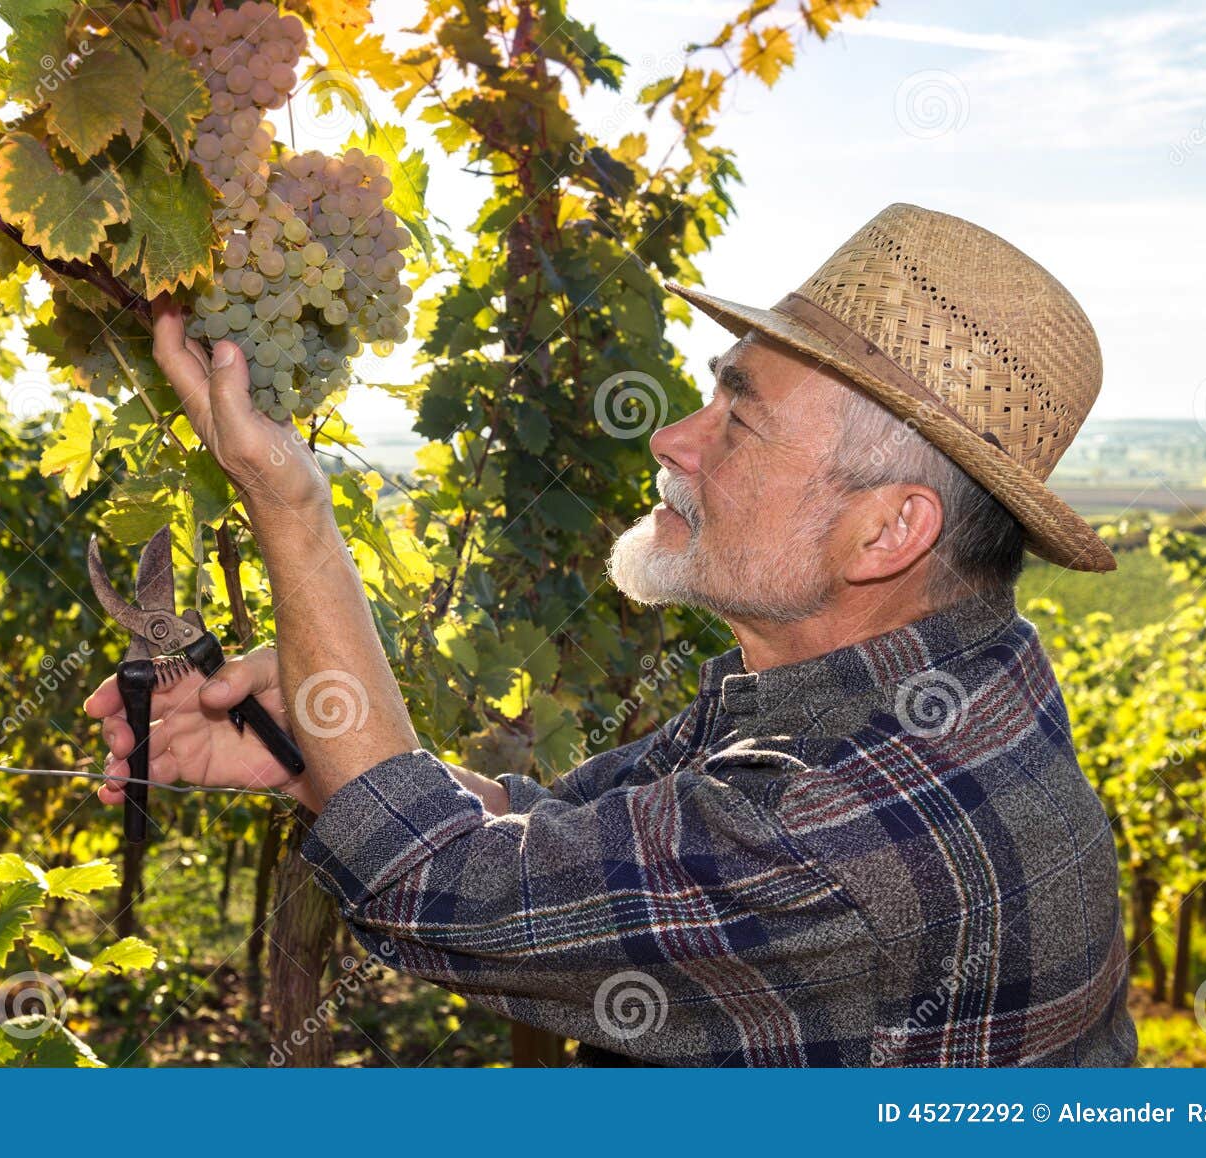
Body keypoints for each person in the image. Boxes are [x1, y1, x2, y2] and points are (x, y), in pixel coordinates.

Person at [85, 203, 1137, 1066]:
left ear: (887, 530)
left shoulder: (833, 824)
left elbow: (430, 884)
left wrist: (288, 501)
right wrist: (308, 754)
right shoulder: (942, 676)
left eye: (737, 419)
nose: (672, 438)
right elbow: (554, 832)